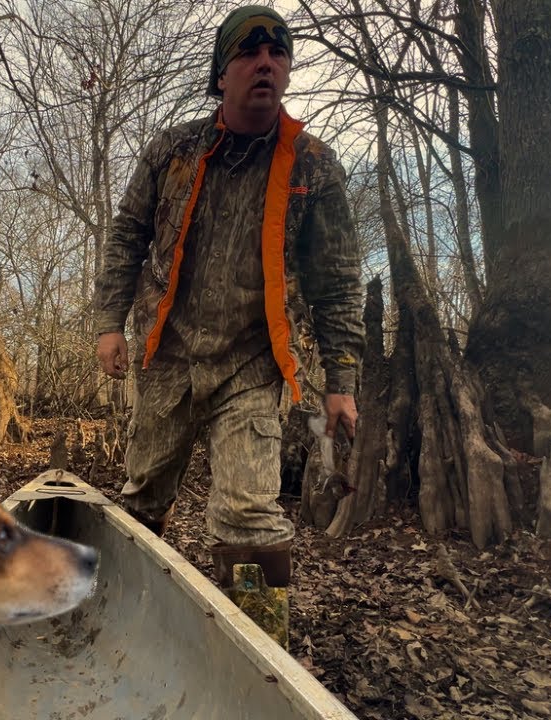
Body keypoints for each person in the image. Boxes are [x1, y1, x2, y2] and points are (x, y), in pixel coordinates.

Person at [93, 5, 365, 592]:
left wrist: (341, 382)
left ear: (288, 70)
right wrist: (108, 322)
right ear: (221, 74)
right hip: (169, 355)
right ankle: (123, 619)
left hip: (252, 362)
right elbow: (126, 233)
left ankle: (260, 666)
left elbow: (339, 281)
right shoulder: (174, 150)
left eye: (277, 53)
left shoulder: (315, 167)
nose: (264, 63)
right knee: (142, 498)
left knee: (249, 517)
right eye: (247, 52)